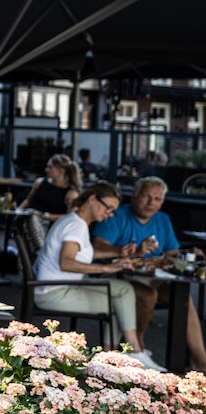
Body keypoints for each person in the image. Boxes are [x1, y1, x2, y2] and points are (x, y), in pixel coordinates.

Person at [33, 182, 165, 371]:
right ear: (93, 198)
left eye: (113, 211)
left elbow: (85, 253)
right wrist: (109, 268)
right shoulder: (76, 226)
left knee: (124, 289)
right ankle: (120, 355)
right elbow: (67, 262)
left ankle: (116, 355)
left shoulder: (74, 221)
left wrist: (119, 252)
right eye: (108, 208)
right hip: (54, 292)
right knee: (121, 304)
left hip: (56, 286)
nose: (109, 214)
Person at [92, 176, 206, 369]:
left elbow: (172, 254)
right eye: (146, 197)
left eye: (157, 199)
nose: (151, 203)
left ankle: (201, 361)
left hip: (153, 277)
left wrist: (189, 255)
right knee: (147, 295)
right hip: (118, 275)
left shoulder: (163, 219)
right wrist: (129, 252)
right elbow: (97, 247)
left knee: (183, 297)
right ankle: (136, 350)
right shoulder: (117, 215)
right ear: (135, 197)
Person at [16, 153, 81, 220]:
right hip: (29, 221)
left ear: (61, 171)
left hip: (52, 227)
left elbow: (71, 216)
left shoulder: (71, 193)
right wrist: (17, 212)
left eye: (50, 167)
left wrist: (46, 216)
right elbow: (28, 201)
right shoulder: (39, 182)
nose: (46, 170)